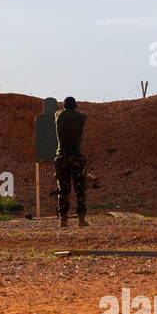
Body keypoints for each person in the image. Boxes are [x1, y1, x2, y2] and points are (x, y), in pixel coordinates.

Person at [54, 96, 89, 228]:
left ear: (64, 106)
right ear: (75, 106)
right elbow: (84, 115)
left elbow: (58, 111)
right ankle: (81, 220)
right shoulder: (81, 117)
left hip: (61, 157)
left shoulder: (58, 115)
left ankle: (63, 220)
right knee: (80, 189)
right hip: (76, 157)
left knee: (63, 190)